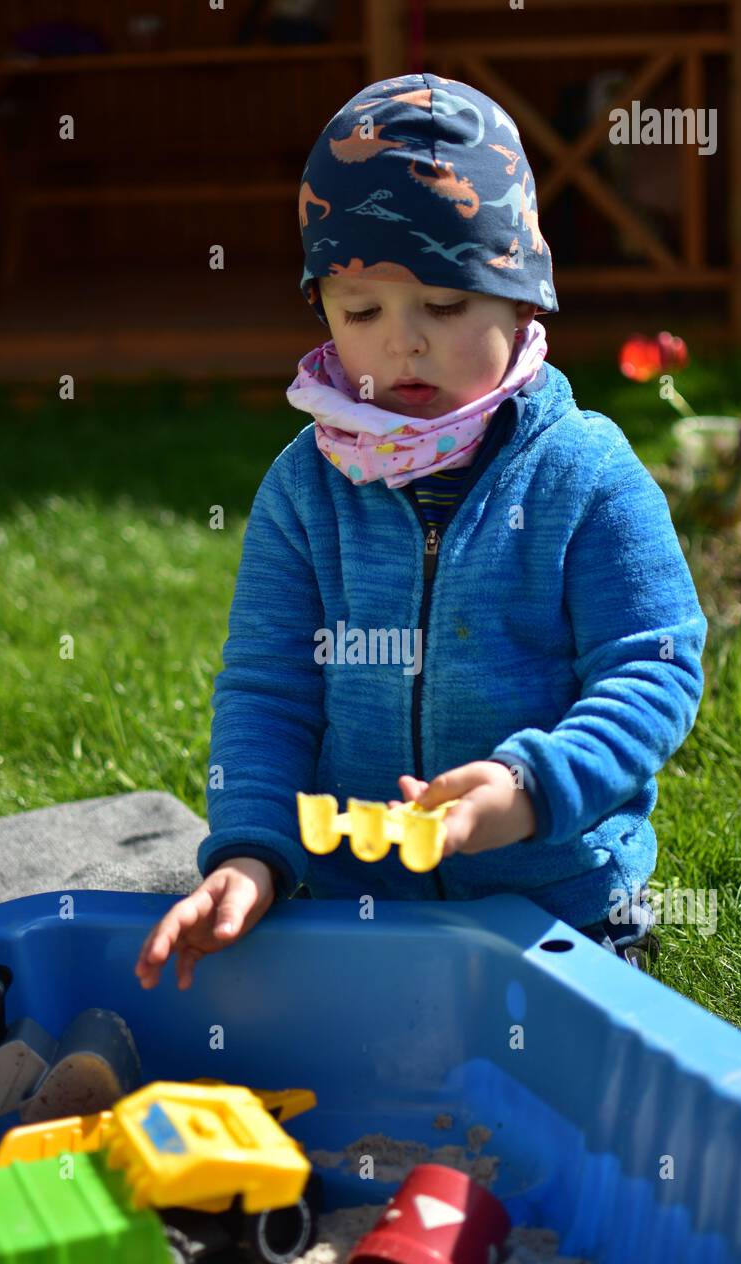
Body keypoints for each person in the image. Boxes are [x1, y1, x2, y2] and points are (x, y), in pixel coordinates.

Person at [135, 72, 706, 991]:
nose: (402, 343)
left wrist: (533, 789)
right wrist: (251, 855)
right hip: (360, 912)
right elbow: (268, 691)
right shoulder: (304, 491)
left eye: (443, 305)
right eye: (362, 311)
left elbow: (656, 666)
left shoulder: (586, 474)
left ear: (523, 302)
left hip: (559, 911)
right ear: (320, 308)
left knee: (535, 1110)